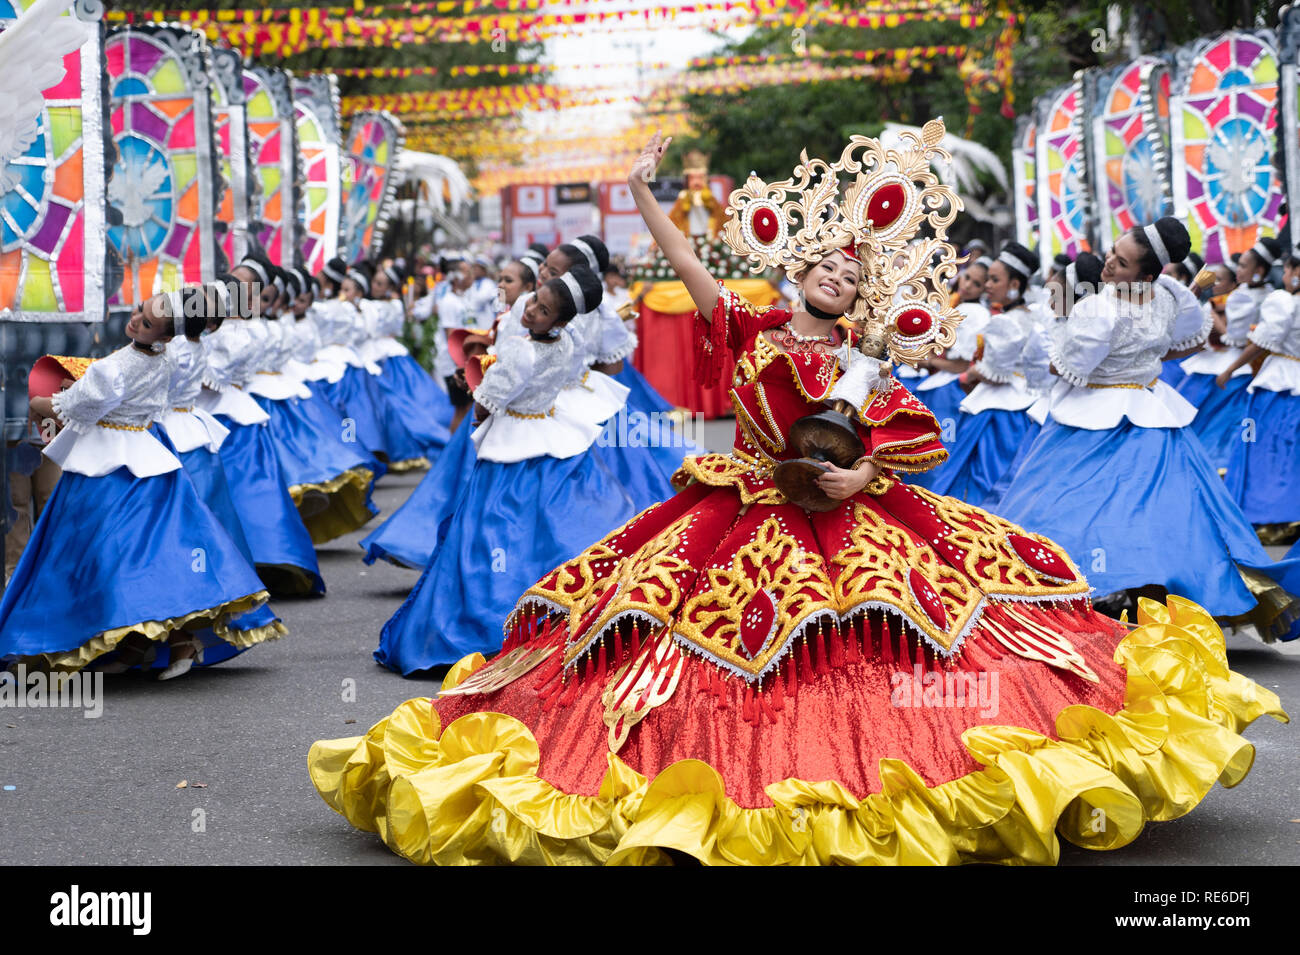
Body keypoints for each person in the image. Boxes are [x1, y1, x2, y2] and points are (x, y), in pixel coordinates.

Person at [310, 126, 1285, 866]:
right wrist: (647, 194)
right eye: (824, 261)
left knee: (920, 653)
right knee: (650, 647)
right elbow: (688, 270)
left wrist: (862, 471)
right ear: (798, 268)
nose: (834, 273)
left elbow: (910, 429)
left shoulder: (862, 355)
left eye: (850, 269)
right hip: (738, 520)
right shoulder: (747, 327)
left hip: (856, 522)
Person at [992, 218, 1299, 639]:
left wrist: (1059, 325)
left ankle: (1074, 596)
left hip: (1093, 421)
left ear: (1148, 274)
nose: (1108, 266)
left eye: (1121, 263)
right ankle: (1149, 600)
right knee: (1165, 516)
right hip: (1151, 411)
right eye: (1112, 255)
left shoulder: (1097, 308)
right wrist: (1146, 361)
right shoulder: (1172, 295)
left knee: (1071, 508)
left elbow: (1068, 370)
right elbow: (1190, 340)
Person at [0, 292, 281, 677]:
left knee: (92, 555)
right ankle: (155, 643)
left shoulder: (116, 366)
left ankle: (68, 638)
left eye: (145, 322)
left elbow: (78, 407)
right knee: (157, 555)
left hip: (108, 464)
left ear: (166, 336)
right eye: (138, 312)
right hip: (150, 455)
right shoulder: (163, 359)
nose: (134, 321)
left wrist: (36, 402)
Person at [374, 266, 637, 674]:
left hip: (510, 439)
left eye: (542, 310)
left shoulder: (519, 347)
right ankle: (554, 616)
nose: (531, 310)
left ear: (561, 320)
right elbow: (560, 378)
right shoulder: (567, 341)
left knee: (489, 533)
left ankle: (490, 622)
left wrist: (478, 401)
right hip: (550, 433)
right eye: (534, 301)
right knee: (541, 530)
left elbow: (490, 398)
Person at [910, 241, 1050, 502]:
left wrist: (970, 375)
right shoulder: (1032, 315)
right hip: (1021, 405)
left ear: (1015, 285)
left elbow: (993, 372)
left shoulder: (1007, 322)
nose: (987, 285)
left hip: (998, 411)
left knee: (983, 479)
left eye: (994, 280)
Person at [1176, 237, 1281, 470]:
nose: (1239, 269)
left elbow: (1238, 340)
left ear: (1259, 270)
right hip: (1240, 365)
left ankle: (1221, 462)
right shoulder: (1251, 294)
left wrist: (1215, 320)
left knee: (1227, 422)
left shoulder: (1256, 298)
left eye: (1244, 266)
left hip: (1242, 366)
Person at [1220, 253, 1300, 532]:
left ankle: (1271, 515)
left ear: (1292, 270)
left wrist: (1230, 369)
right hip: (1291, 381)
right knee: (1292, 451)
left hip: (1279, 384)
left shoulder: (1283, 301)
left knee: (1269, 450)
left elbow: (1263, 342)